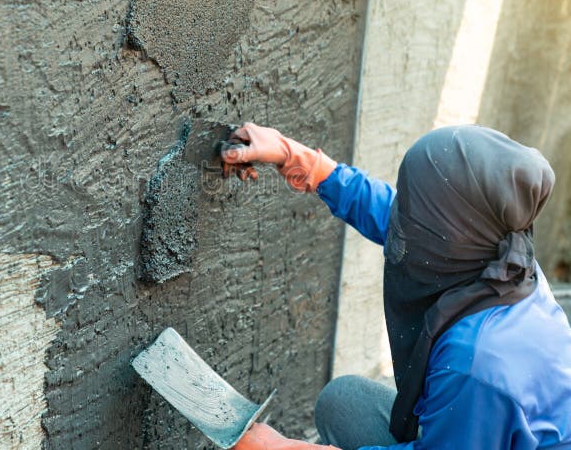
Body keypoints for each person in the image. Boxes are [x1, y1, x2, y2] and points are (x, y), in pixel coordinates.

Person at [221, 123, 571, 450]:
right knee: (345, 404)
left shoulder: (474, 365)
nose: (403, 216)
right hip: (481, 428)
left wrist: (286, 448)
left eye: (415, 208)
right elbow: (394, 216)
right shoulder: (502, 258)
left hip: (478, 413)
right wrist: (297, 157)